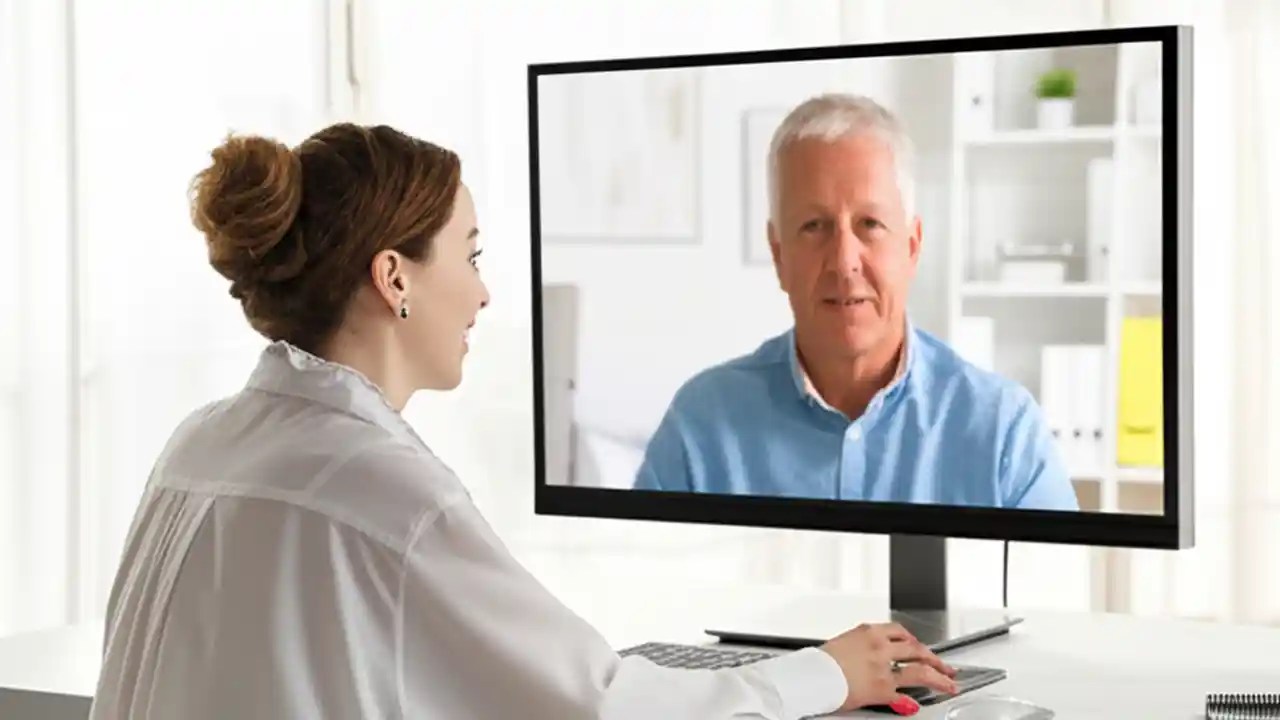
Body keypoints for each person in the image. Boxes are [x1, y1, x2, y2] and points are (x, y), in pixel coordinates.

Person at [88, 122, 958, 719]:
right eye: (469, 256)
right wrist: (824, 673)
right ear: (394, 278)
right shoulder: (384, 489)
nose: (484, 291)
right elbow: (595, 703)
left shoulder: (199, 442)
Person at [633, 94, 1079, 512]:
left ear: (912, 246)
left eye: (870, 223)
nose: (845, 261)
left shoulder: (1003, 433)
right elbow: (644, 590)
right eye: (813, 225)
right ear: (778, 255)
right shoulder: (701, 427)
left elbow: (1054, 592)